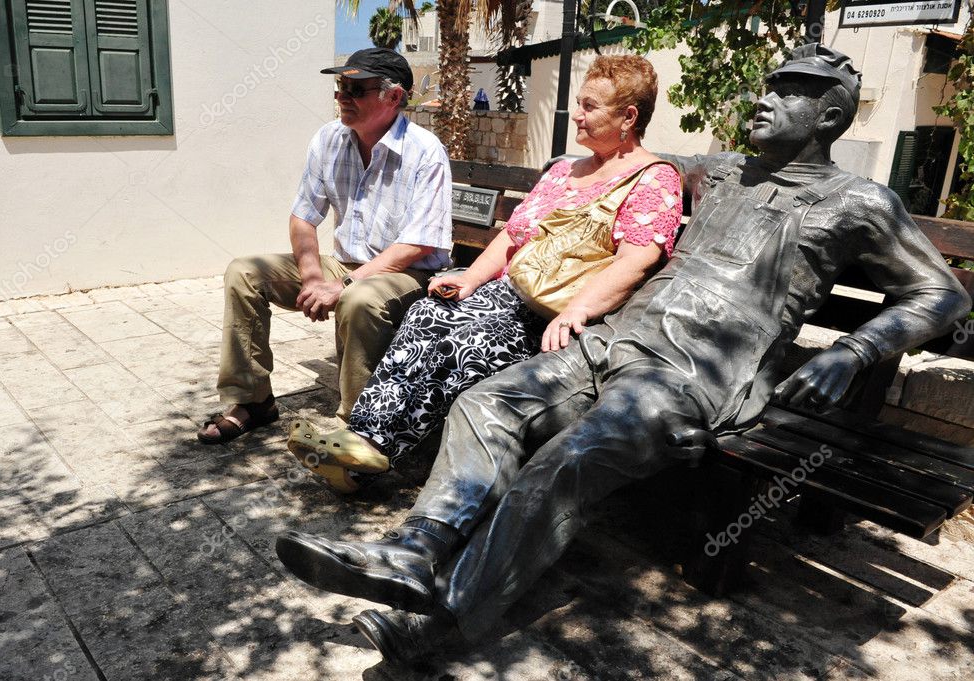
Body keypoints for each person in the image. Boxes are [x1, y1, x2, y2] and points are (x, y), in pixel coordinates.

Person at [271, 44, 972, 662]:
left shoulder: (858, 202)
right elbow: (626, 158)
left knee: (565, 460)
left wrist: (852, 351)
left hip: (695, 378)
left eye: (789, 91)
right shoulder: (722, 171)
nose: (763, 98)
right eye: (768, 84)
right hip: (613, 342)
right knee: (486, 403)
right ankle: (415, 549)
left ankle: (448, 615)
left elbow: (942, 296)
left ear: (828, 116)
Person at [286, 55, 683, 493]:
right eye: (579, 104)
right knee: (427, 314)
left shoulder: (654, 178)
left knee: (467, 341)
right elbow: (513, 235)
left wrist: (578, 312)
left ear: (629, 116)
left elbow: (636, 261)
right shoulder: (569, 170)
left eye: (590, 107)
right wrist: (472, 277)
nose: (578, 116)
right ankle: (362, 441)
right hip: (509, 291)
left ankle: (370, 450)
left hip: (554, 312)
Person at [197, 48, 453, 445]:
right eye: (340, 87)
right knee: (244, 272)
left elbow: (416, 244)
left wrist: (345, 285)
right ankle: (252, 401)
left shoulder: (425, 151)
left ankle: (362, 427)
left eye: (355, 89)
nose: (342, 97)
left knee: (360, 298)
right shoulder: (329, 139)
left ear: (394, 97)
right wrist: (314, 275)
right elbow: (303, 216)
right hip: (347, 264)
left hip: (409, 273)